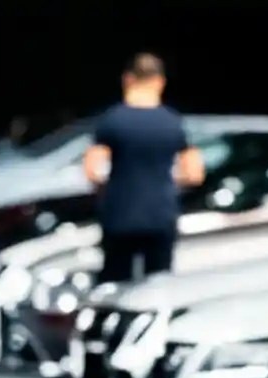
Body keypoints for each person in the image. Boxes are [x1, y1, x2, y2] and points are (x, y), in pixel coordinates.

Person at [83, 53, 205, 284]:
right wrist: (167, 182)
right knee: (158, 284)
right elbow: (194, 174)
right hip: (160, 215)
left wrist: (107, 189)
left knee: (115, 285)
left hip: (119, 217)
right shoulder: (172, 122)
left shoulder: (112, 120)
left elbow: (91, 170)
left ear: (127, 79)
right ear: (160, 82)